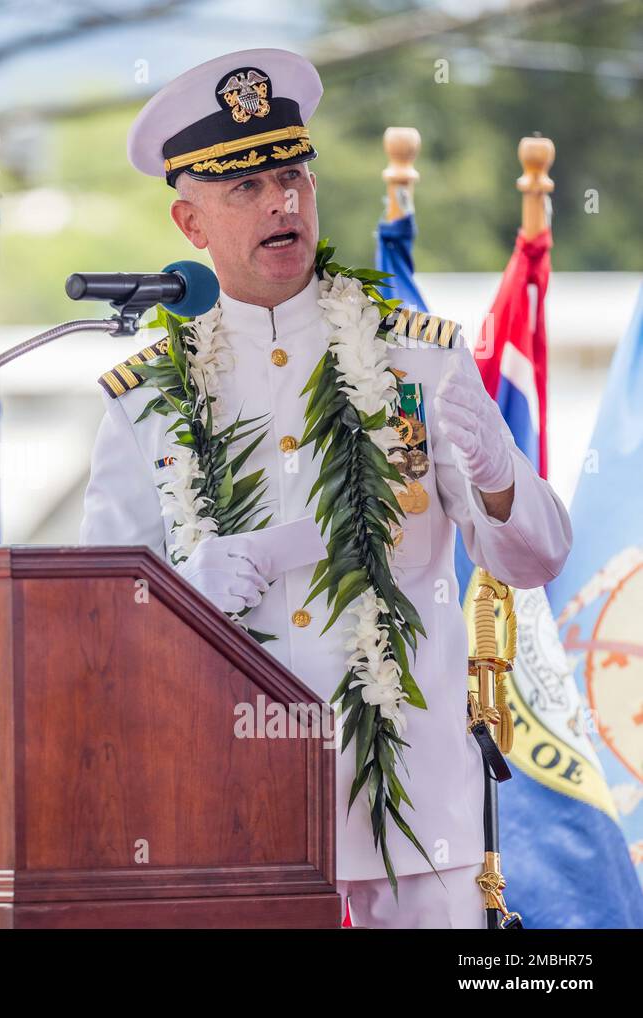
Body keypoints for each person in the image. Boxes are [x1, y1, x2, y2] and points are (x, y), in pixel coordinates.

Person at [79, 47, 573, 928]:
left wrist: (501, 483)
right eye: (247, 189)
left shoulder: (418, 355)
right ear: (190, 225)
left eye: (293, 177)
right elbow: (93, 634)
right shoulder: (146, 399)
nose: (282, 203)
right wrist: (176, 599)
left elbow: (537, 560)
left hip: (417, 812)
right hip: (234, 807)